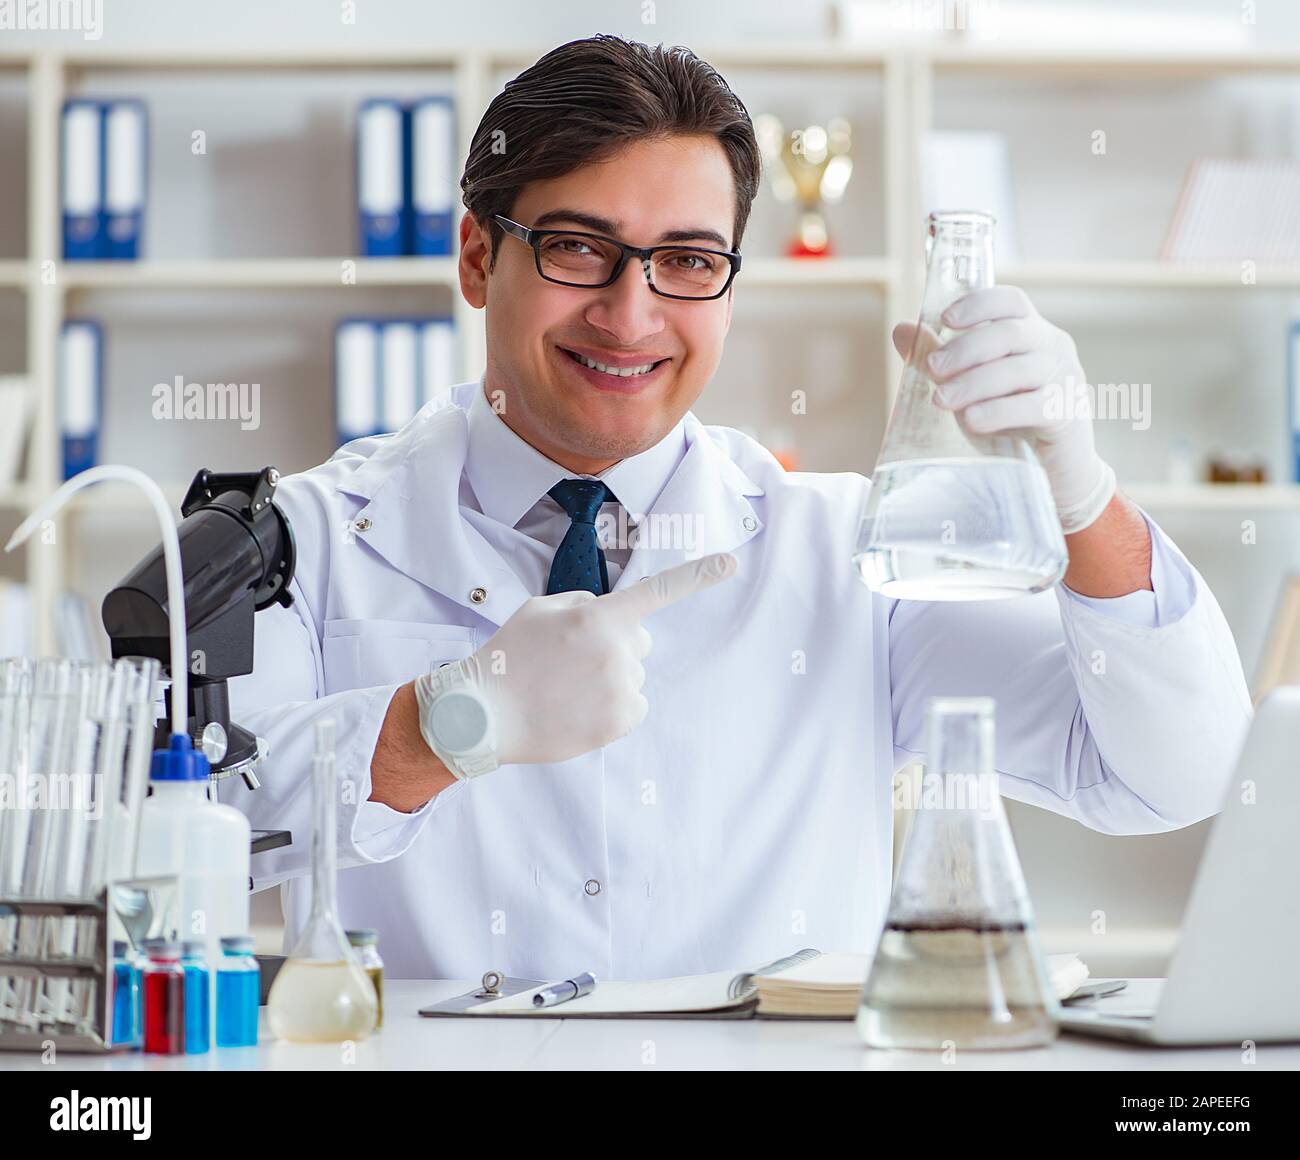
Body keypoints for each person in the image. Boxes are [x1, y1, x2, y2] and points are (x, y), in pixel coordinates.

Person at [223, 34, 1251, 981]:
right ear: (478, 256)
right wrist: (438, 727)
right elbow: (185, 846)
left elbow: (1173, 775)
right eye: (579, 246)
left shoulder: (848, 556)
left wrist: (1082, 495)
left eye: (687, 260)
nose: (630, 315)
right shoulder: (304, 540)